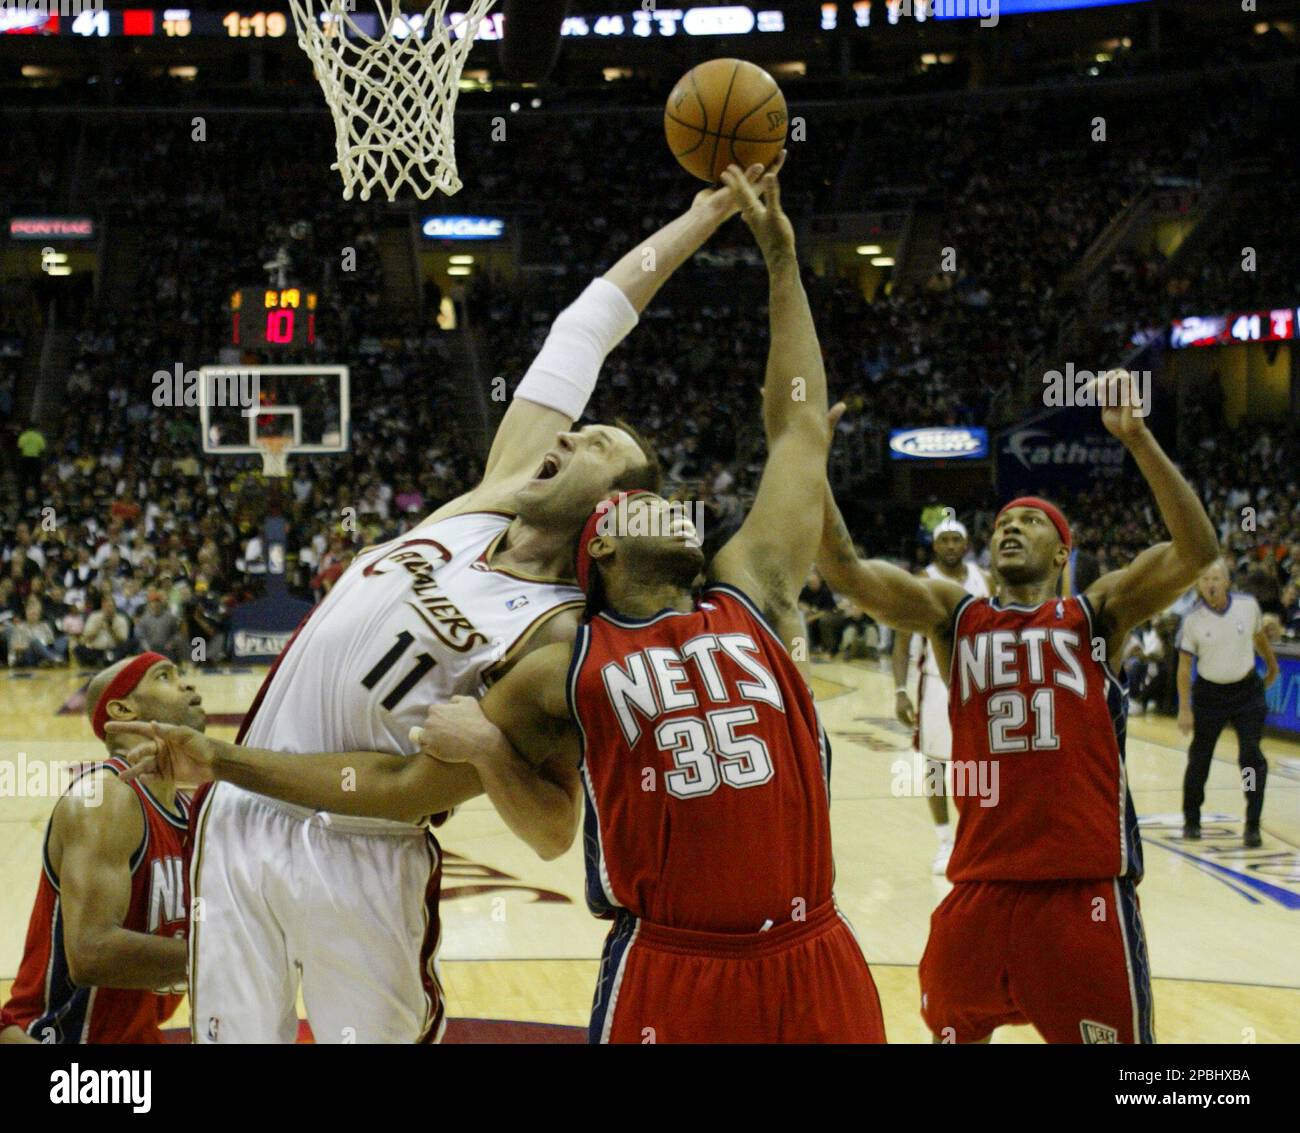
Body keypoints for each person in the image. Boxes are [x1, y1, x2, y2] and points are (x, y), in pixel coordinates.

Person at [113, 160, 887, 1045]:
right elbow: (586, 327)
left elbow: (448, 796)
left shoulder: (556, 639)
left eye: (593, 441)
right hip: (244, 821)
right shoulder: (486, 502)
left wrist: (226, 756)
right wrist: (709, 215)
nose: (565, 432)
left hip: (357, 843)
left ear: (608, 514)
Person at [816, 370, 1219, 1043]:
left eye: (1031, 521)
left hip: (1082, 890)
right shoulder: (955, 616)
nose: (1012, 527)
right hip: (980, 889)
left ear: (1063, 551)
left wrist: (1139, 438)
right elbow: (846, 572)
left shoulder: (1098, 613)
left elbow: (1198, 551)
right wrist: (813, 469)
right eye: (1004, 521)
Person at [0, 654, 202, 1043]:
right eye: (165, 676)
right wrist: (225, 954)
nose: (188, 685)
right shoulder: (106, 797)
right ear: (123, 708)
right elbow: (92, 952)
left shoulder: (190, 809)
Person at [891, 513, 992, 874]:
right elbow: (902, 641)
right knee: (936, 764)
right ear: (934, 546)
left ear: (966, 545)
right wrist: (901, 690)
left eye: (956, 540)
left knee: (977, 763)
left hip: (981, 684)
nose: (950, 546)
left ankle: (974, 838)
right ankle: (945, 841)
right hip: (934, 682)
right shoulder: (921, 582)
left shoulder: (986, 580)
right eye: (944, 540)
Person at [1176, 559, 1278, 847]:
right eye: (1205, 579)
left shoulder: (1248, 606)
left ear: (1227, 583)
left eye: (1216, 578)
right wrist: (1185, 708)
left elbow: (1260, 639)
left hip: (1246, 692)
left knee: (1250, 757)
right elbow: (1184, 668)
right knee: (1200, 758)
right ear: (1198, 585)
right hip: (1210, 695)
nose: (1210, 584)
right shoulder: (1192, 620)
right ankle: (1191, 818)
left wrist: (1272, 668)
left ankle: (1253, 823)